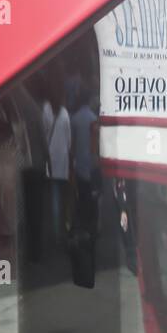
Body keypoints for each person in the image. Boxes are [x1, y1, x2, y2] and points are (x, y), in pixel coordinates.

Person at [42, 85, 72, 244]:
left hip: (50, 158)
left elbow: (43, 131)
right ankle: (62, 227)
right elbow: (69, 142)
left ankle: (54, 232)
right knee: (62, 195)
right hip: (63, 160)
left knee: (53, 195)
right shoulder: (65, 113)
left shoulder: (46, 110)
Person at [69, 84, 100, 237]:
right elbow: (95, 145)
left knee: (80, 196)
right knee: (91, 197)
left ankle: (81, 226)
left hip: (79, 164)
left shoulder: (74, 119)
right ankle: (91, 226)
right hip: (91, 164)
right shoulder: (94, 119)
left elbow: (72, 145)